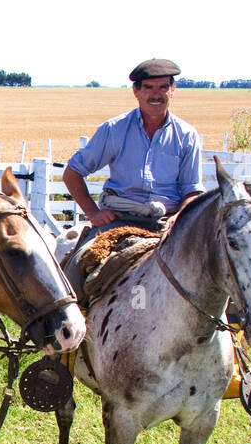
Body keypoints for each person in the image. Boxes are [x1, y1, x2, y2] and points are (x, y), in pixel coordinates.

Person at [61, 58, 205, 301]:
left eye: (162, 87)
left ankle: (230, 332)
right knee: (74, 272)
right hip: (118, 221)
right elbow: (72, 173)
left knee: (216, 269)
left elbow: (192, 189)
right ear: (136, 91)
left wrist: (179, 218)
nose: (155, 95)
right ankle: (71, 333)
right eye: (148, 88)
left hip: (167, 223)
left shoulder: (187, 135)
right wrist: (94, 213)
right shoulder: (114, 129)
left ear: (173, 90)